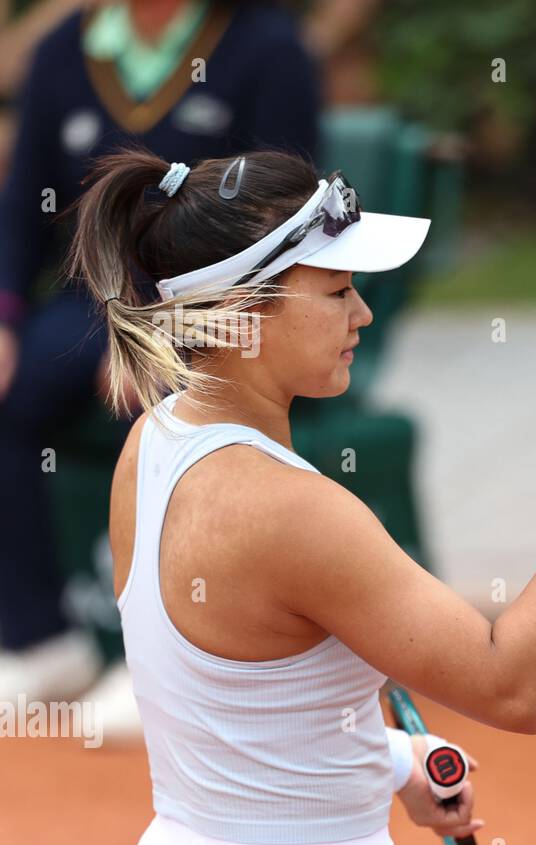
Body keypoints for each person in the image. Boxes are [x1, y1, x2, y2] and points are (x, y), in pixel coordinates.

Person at [66, 146, 536, 845]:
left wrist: (393, 762)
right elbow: (516, 686)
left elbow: (243, 708)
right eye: (337, 291)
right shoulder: (292, 510)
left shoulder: (153, 444)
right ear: (241, 314)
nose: (362, 315)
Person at [0, 0, 320, 725]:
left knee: (156, 407)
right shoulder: (62, 50)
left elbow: (283, 211)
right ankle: (41, 640)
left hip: (219, 310)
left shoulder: (269, 48)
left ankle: (156, 660)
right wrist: (5, 319)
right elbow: (21, 207)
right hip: (87, 308)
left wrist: (151, 334)